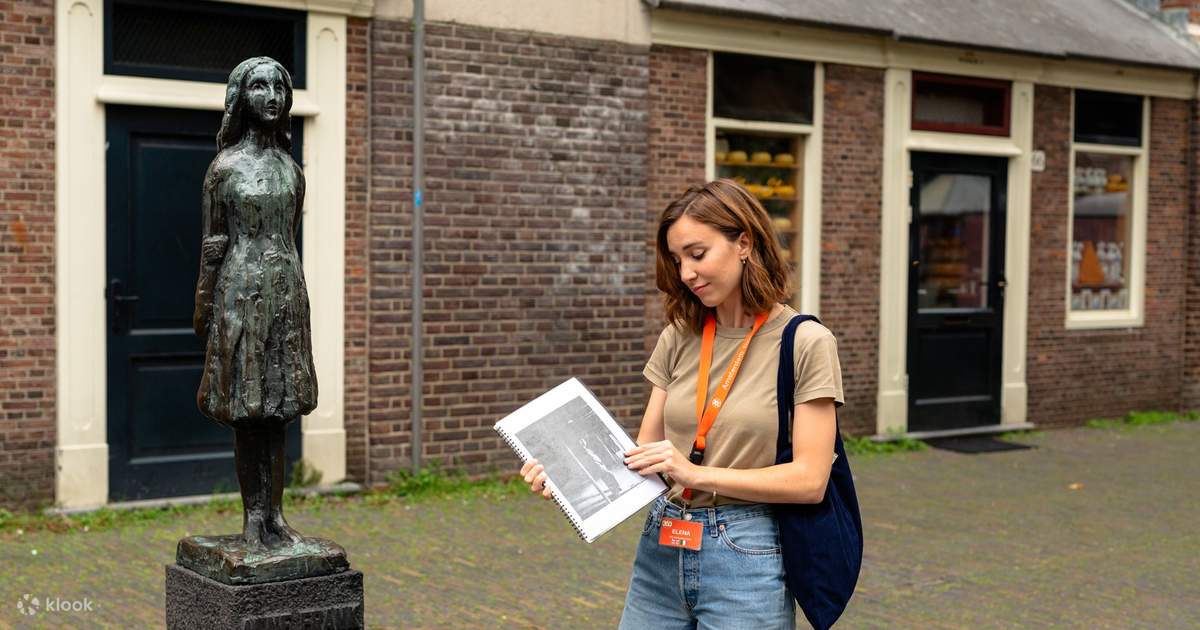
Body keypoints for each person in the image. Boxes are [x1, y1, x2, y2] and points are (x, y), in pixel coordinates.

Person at [520, 179, 844, 628]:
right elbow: (645, 456)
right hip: (662, 543)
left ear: (744, 243)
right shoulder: (680, 334)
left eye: (697, 254)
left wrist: (694, 473)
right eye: (677, 260)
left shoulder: (806, 342)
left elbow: (810, 480)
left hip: (745, 552)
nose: (686, 273)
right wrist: (572, 482)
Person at [193, 56, 316, 549]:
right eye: (259, 87)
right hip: (240, 293)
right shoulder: (223, 169)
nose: (271, 96)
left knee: (278, 408)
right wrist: (204, 303)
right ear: (240, 98)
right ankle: (253, 517)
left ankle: (277, 518)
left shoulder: (291, 169)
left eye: (279, 88)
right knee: (248, 410)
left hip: (285, 293)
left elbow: (290, 237)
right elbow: (213, 243)